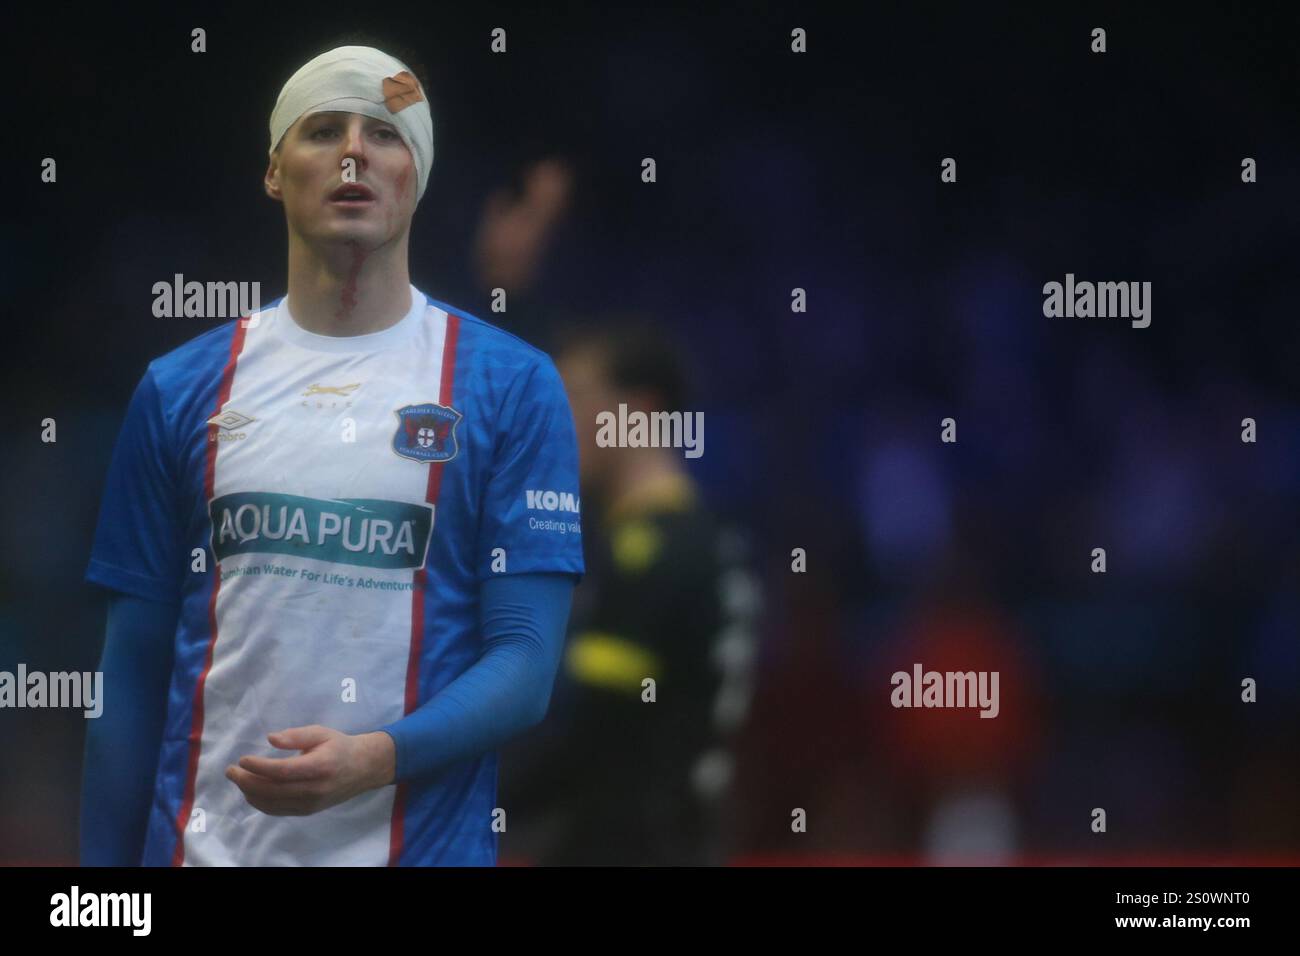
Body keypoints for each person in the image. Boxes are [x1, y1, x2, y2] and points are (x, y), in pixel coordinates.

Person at [79, 43, 584, 866]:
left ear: (416, 174)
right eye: (322, 130)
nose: (354, 151)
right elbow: (129, 679)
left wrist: (375, 760)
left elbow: (526, 664)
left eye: (384, 135)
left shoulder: (511, 386)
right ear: (274, 172)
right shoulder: (177, 390)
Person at [498, 322, 761, 865]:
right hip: (683, 837)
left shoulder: (649, 555)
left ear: (636, 413)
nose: (554, 419)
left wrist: (461, 801)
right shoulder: (708, 541)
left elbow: (593, 734)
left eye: (573, 396)